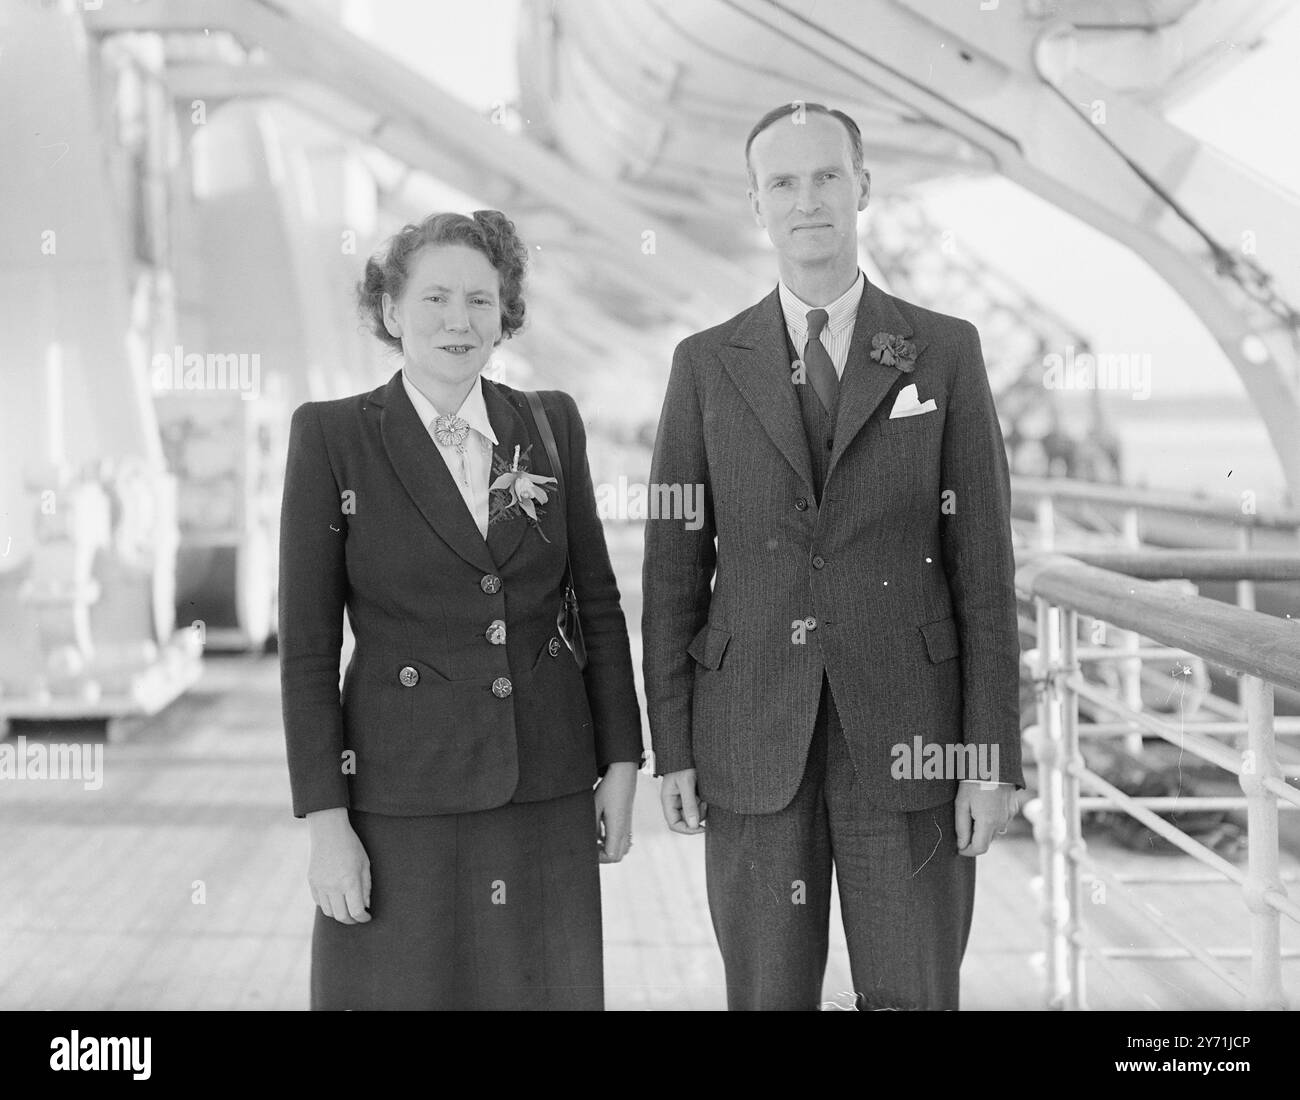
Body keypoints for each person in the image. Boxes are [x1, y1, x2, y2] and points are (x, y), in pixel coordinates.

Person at [642, 103, 1023, 1011]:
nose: (805, 199)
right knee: (767, 995)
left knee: (912, 994)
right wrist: (674, 749)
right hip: (748, 737)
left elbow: (984, 572)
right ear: (756, 204)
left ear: (863, 187)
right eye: (782, 183)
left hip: (914, 739)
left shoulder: (944, 351)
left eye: (825, 177)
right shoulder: (704, 364)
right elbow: (670, 575)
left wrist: (990, 759)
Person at [279, 210, 642, 1010]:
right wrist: (325, 824)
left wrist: (622, 760)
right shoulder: (333, 437)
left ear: (505, 314)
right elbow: (307, 651)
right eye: (436, 297)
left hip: (543, 786)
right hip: (399, 797)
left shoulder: (550, 424)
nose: (459, 320)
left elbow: (599, 604)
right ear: (390, 311)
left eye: (481, 300)